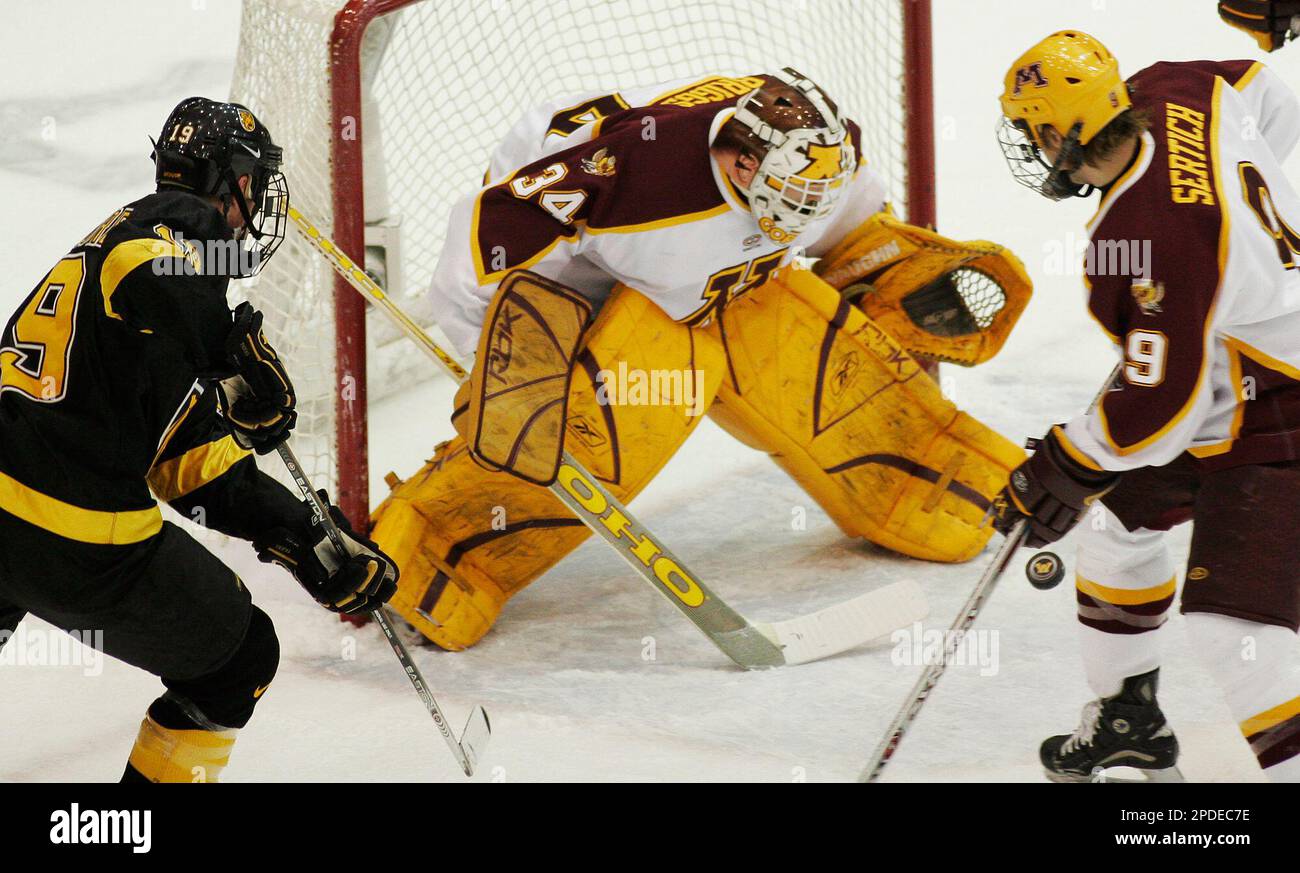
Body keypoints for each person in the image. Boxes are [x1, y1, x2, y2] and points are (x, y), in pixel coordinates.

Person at [372, 70, 1033, 651]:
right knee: (617, 415)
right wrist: (503, 367)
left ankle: (922, 477)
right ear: (742, 164)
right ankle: (439, 542)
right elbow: (477, 245)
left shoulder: (813, 155)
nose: (803, 214)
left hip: (705, 276)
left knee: (801, 334)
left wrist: (874, 258)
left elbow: (842, 207)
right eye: (794, 199)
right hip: (581, 277)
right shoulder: (633, 184)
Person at [0, 97, 397, 782]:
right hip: (68, 529)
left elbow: (191, 464)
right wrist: (223, 351)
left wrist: (301, 533)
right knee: (239, 658)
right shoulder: (183, 230)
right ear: (233, 180)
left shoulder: (120, 249)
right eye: (254, 186)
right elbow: (151, 266)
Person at [995, 30, 1300, 782]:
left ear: (1056, 132)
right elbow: (1267, 91)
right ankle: (1128, 718)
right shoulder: (1174, 86)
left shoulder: (1144, 235)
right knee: (1119, 518)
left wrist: (1068, 459)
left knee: (1234, 627)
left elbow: (1160, 408)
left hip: (1282, 394)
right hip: (1234, 361)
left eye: (1032, 128)